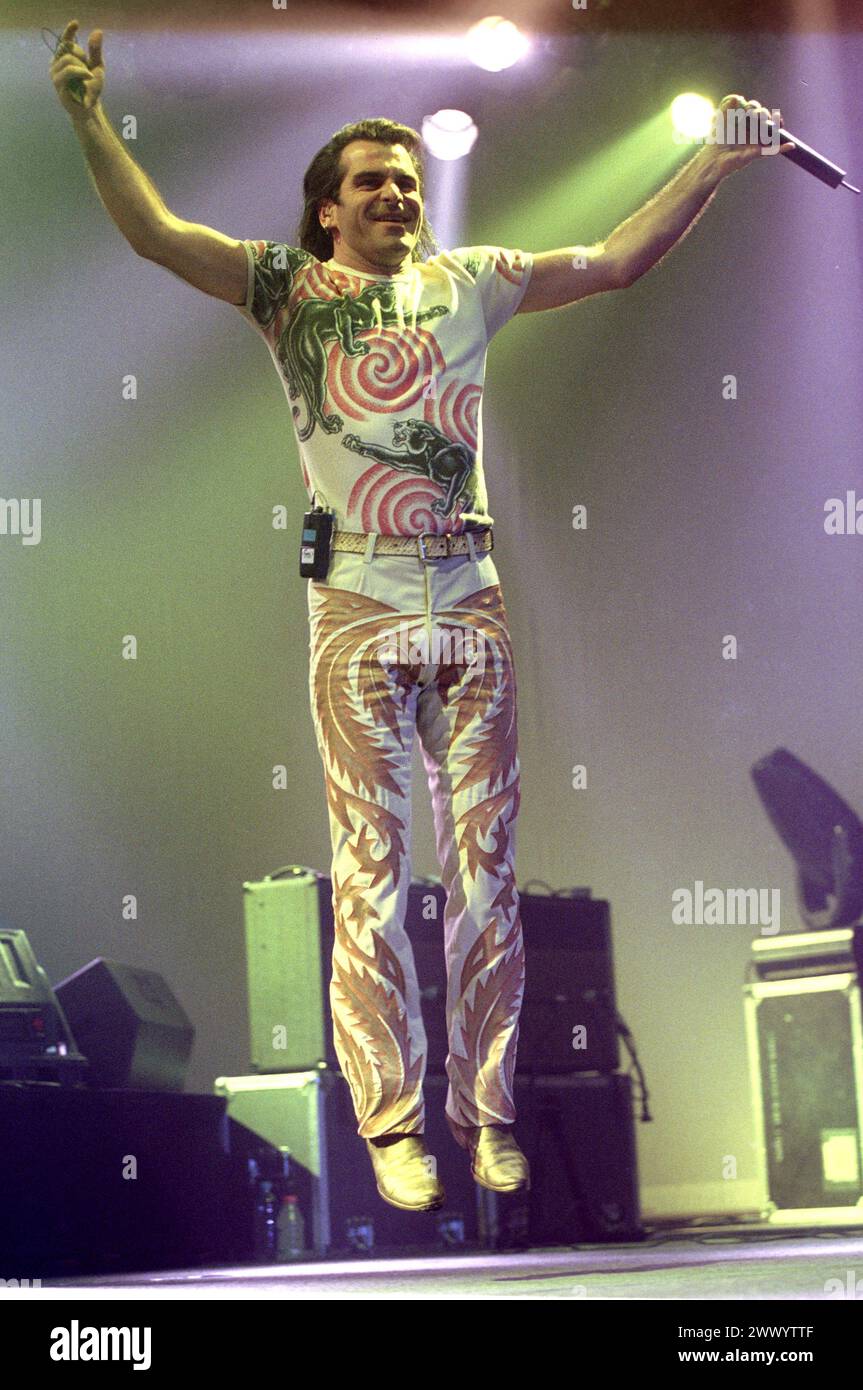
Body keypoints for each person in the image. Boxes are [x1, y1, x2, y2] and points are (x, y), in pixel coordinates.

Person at [51, 18, 792, 1214]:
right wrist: (88, 113)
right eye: (370, 181)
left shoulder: (473, 282)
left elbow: (610, 261)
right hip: (354, 600)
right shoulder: (290, 290)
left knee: (488, 874)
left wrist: (712, 160)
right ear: (329, 209)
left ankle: (485, 1109)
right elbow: (155, 235)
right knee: (371, 875)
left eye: (405, 177)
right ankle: (394, 1121)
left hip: (471, 595)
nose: (397, 192)